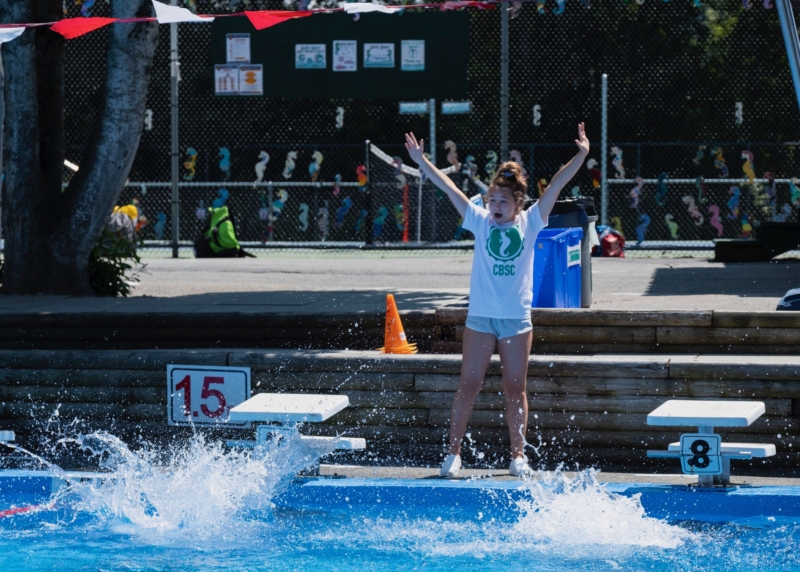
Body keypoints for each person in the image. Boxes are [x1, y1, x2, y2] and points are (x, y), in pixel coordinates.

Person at [404, 123, 590, 477]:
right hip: (480, 318)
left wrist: (581, 154)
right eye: (492, 200)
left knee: (514, 388)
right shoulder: (479, 220)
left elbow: (556, 184)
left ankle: (518, 455)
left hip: (516, 320)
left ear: (519, 203)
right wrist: (421, 160)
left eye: (503, 201)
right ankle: (453, 453)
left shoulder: (533, 221)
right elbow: (449, 187)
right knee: (468, 387)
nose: (495, 206)